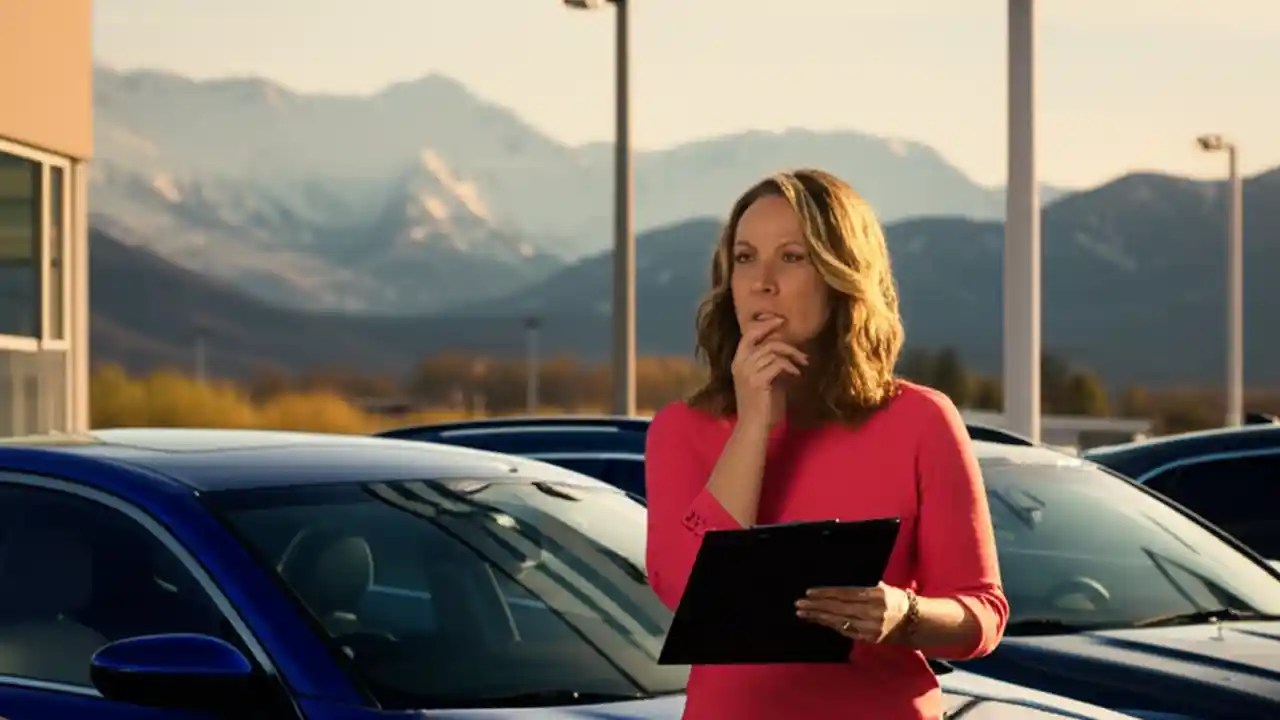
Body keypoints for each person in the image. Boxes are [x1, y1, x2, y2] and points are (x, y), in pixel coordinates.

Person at [644, 168, 1009, 720]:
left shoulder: (920, 420)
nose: (761, 281)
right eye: (745, 258)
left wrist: (903, 615)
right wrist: (752, 426)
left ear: (842, 276)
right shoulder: (680, 429)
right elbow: (683, 590)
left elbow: (982, 615)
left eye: (792, 257)